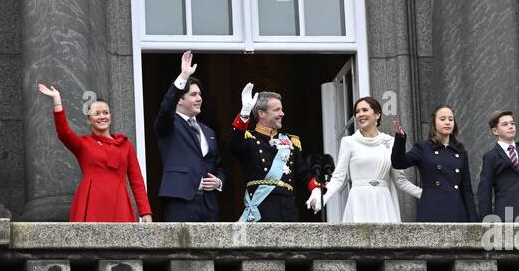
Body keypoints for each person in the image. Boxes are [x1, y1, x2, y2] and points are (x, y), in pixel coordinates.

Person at [38, 83, 151, 223]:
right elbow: (64, 133)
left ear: (111, 116)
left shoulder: (125, 145)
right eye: (96, 114)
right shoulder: (83, 144)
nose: (102, 117)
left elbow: (137, 180)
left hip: (119, 203)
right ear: (88, 120)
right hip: (92, 203)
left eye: (105, 113)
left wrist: (145, 212)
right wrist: (57, 101)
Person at [306, 96, 420, 222]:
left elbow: (401, 181)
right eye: (357, 112)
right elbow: (338, 178)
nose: (360, 114)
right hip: (358, 201)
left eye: (365, 110)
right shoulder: (349, 142)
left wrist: (426, 194)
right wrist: (321, 197)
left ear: (377, 114)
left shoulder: (391, 142)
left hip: (383, 201)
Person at [154, 50, 225, 221]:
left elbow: (217, 164)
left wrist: (219, 182)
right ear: (180, 99)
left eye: (200, 94)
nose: (199, 98)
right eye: (193, 94)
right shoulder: (168, 124)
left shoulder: (208, 131)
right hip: (181, 201)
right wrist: (183, 76)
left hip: (208, 204)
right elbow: (166, 108)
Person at [229, 84, 313, 222]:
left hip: (288, 211)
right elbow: (233, 145)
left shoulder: (290, 142)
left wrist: (316, 190)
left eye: (282, 109)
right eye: (277, 110)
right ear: (261, 113)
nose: (282, 113)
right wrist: (244, 113)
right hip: (261, 210)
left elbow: (304, 174)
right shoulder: (249, 139)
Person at [390, 105, 478, 222]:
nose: (447, 122)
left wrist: (473, 221)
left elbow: (466, 190)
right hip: (432, 208)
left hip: (457, 210)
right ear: (434, 123)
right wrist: (400, 138)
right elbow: (398, 163)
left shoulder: (461, 151)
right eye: (442, 119)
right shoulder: (423, 148)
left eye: (450, 119)